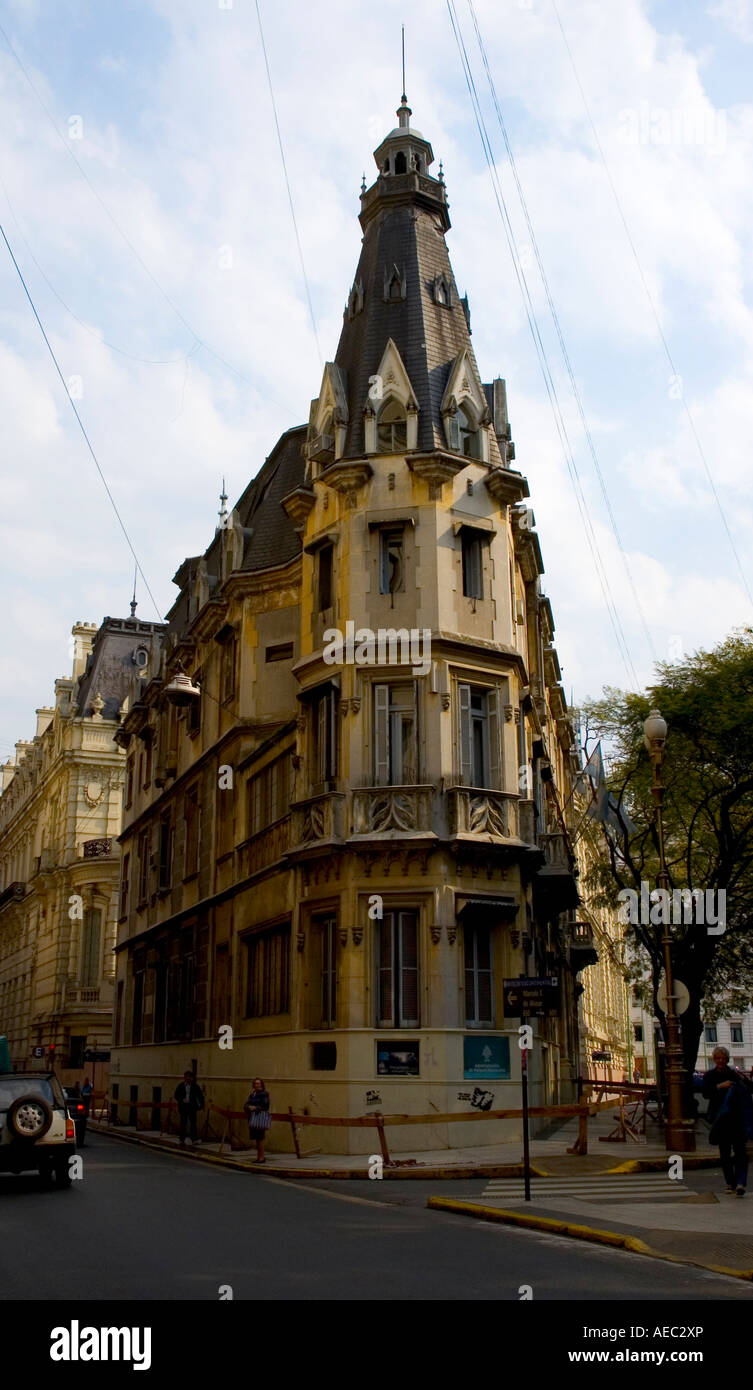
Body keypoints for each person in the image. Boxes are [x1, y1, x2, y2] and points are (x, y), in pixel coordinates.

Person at [702, 1046, 753, 1196]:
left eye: (723, 1059)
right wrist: (719, 1086)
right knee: (724, 1152)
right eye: (718, 1058)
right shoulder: (709, 1076)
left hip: (737, 1118)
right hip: (721, 1119)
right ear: (714, 1059)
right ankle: (730, 1182)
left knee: (740, 1152)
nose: (721, 1061)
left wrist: (743, 1080)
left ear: (727, 1060)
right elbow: (706, 1093)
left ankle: (740, 1182)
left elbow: (748, 1089)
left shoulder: (734, 1074)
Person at [174, 1070, 205, 1147]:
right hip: (183, 1106)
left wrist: (201, 1105)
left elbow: (200, 1096)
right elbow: (176, 1095)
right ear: (184, 1078)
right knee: (183, 1123)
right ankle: (182, 1140)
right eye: (187, 1077)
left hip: (192, 1107)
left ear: (192, 1078)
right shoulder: (180, 1086)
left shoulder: (195, 1086)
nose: (188, 1079)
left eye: (190, 1077)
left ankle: (193, 1139)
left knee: (193, 1123)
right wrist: (181, 1100)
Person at [244, 1078, 271, 1163]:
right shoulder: (253, 1094)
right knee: (257, 1139)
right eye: (255, 1083)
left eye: (258, 1083)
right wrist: (248, 1107)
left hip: (259, 1118)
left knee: (260, 1138)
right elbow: (246, 1104)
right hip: (253, 1118)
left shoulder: (264, 1094)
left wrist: (255, 1108)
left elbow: (266, 1106)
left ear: (261, 1084)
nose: (256, 1085)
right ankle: (259, 1157)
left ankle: (262, 1157)